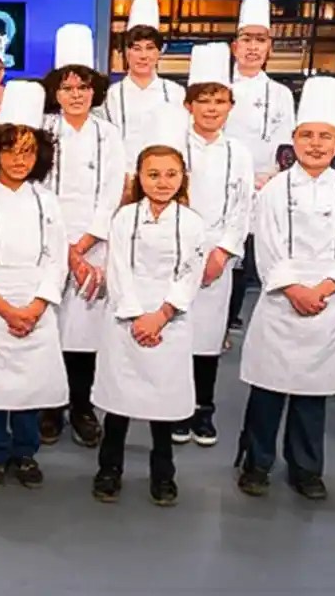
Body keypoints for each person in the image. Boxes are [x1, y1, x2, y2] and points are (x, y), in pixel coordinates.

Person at [235, 76, 335, 501]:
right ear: (293, 139)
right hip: (281, 305)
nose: (316, 144)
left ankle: (306, 469)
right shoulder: (274, 191)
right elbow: (268, 249)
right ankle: (257, 464)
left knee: (314, 398)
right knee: (268, 393)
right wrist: (296, 290)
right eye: (307, 135)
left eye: (325, 137)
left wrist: (325, 288)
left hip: (327, 308)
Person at [0, 85, 67, 490]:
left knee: (31, 388)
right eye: (10, 151)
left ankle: (25, 452)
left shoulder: (48, 202)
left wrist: (35, 307)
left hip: (37, 306)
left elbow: (56, 260)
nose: (19, 160)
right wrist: (8, 311)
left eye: (27, 151)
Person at [91, 144, 206, 507]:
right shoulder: (124, 218)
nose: (162, 182)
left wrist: (161, 315)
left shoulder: (192, 223)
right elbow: (118, 268)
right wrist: (137, 314)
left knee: (163, 405)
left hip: (170, 321)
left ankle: (163, 472)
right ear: (139, 178)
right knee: (118, 404)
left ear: (183, 177)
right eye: (153, 174)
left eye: (171, 174)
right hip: (126, 318)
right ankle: (109, 469)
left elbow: (191, 273)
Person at [38, 24, 126, 448]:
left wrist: (83, 244)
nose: (75, 94)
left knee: (85, 331)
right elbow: (34, 189)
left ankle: (83, 406)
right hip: (47, 243)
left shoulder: (109, 135)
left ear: (95, 91)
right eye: (67, 86)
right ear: (55, 91)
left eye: (83, 86)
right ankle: (49, 406)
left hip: (95, 243)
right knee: (49, 327)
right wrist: (62, 246)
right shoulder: (39, 131)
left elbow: (112, 192)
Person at [174, 43, 255, 447]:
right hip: (174, 253)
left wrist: (223, 251)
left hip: (216, 258)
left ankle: (203, 410)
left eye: (219, 100)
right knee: (175, 334)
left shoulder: (238, 153)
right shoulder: (172, 145)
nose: (211, 108)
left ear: (230, 106)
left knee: (206, 338)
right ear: (189, 104)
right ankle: (175, 409)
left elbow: (243, 207)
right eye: (203, 100)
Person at [224, 0, 296, 332]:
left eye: (261, 40)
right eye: (247, 39)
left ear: (269, 47)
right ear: (234, 46)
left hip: (263, 187)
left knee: (248, 255)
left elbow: (287, 146)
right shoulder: (217, 87)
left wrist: (272, 177)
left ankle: (231, 319)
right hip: (221, 183)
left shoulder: (281, 93)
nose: (253, 47)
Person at [104, 0, 188, 173]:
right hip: (123, 178)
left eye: (150, 48)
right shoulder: (111, 95)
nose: (143, 56)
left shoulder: (176, 93)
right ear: (126, 52)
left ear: (159, 52)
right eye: (136, 48)